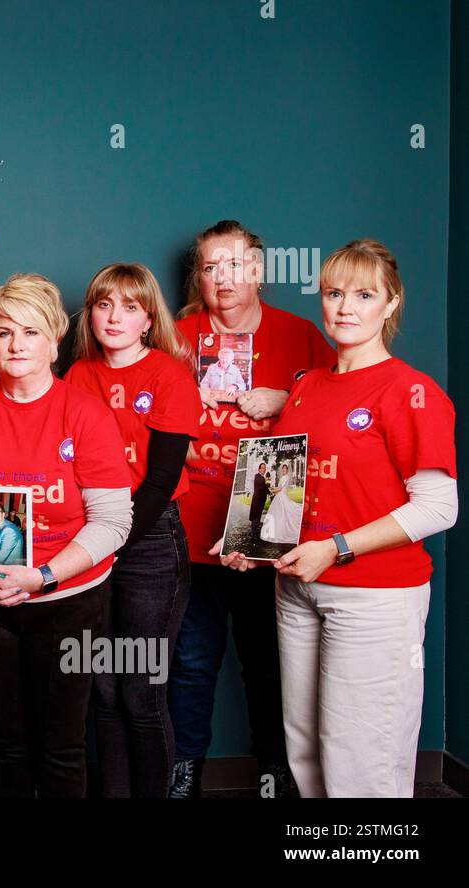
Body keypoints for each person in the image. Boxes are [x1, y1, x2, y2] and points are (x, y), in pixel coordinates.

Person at [219, 239, 457, 797]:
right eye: (333, 293)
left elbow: (439, 507)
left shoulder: (411, 390)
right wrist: (250, 543)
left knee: (360, 758)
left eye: (364, 294)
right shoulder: (304, 386)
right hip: (297, 586)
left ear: (390, 304)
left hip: (373, 595)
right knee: (305, 746)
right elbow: (279, 481)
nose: (345, 308)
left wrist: (338, 546)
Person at [0, 273, 134, 798]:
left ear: (55, 337)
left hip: (66, 598)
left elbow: (113, 522)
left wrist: (43, 576)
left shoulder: (85, 413)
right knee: (1, 742)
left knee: (61, 746)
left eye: (31, 332)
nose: (16, 345)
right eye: (4, 332)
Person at [167, 220, 336, 798]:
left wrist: (288, 397)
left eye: (235, 265)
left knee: (268, 665)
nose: (223, 278)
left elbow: (338, 411)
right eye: (211, 267)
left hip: (271, 533)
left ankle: (274, 770)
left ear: (259, 272)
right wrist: (180, 408)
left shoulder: (301, 335)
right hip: (191, 530)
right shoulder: (176, 335)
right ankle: (182, 771)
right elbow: (139, 418)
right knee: (190, 662)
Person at [64, 262, 202, 798]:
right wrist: (90, 543)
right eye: (103, 304)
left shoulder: (168, 374)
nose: (114, 317)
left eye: (129, 306)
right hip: (89, 541)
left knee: (140, 692)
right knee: (102, 688)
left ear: (148, 319)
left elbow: (162, 479)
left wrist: (111, 541)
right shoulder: (78, 375)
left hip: (147, 544)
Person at [260, 464, 301, 544]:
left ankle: (280, 532)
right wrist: (272, 489)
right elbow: (278, 488)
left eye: (285, 469)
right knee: (278, 514)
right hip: (279, 496)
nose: (283, 470)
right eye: (283, 469)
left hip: (282, 497)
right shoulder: (282, 477)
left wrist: (272, 490)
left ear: (287, 470)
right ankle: (276, 531)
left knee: (282, 513)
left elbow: (280, 488)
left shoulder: (286, 477)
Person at [248, 462, 271, 539]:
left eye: (265, 468)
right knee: (255, 517)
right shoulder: (258, 477)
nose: (264, 469)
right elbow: (263, 485)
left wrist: (270, 491)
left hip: (260, 502)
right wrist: (267, 482)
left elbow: (264, 488)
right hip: (257, 502)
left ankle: (255, 533)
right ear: (259, 469)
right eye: (262, 468)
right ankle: (253, 535)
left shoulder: (262, 478)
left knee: (258, 517)